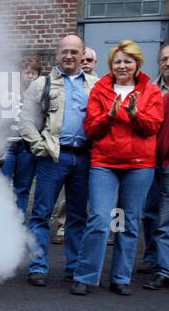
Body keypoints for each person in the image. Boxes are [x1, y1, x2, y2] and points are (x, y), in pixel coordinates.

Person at [70, 41, 164, 295]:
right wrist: (110, 116)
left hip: (138, 165)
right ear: (111, 66)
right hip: (105, 164)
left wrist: (134, 114)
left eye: (127, 61)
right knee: (100, 219)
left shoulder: (151, 92)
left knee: (127, 221)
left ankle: (120, 277)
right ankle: (85, 275)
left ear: (137, 64)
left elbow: (152, 127)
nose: (122, 66)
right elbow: (91, 128)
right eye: (118, 62)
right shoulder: (100, 90)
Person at [18, 34, 99, 285]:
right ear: (57, 54)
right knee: (41, 214)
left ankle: (74, 266)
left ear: (82, 55)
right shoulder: (42, 84)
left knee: (77, 216)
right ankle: (38, 266)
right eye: (65, 51)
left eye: (75, 52)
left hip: (83, 157)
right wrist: (40, 146)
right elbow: (26, 120)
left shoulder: (95, 85)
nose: (69, 56)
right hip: (53, 157)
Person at [0, 56, 44, 216]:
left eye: (34, 73)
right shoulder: (9, 93)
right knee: (1, 185)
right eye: (27, 73)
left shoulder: (41, 96)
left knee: (22, 188)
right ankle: (0, 221)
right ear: (20, 74)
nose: (31, 76)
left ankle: (19, 225)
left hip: (27, 147)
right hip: (8, 146)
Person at [142, 43, 169, 288]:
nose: (168, 62)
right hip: (151, 160)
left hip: (166, 160)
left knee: (164, 219)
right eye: (164, 58)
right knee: (149, 212)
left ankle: (164, 266)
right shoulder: (150, 89)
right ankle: (152, 257)